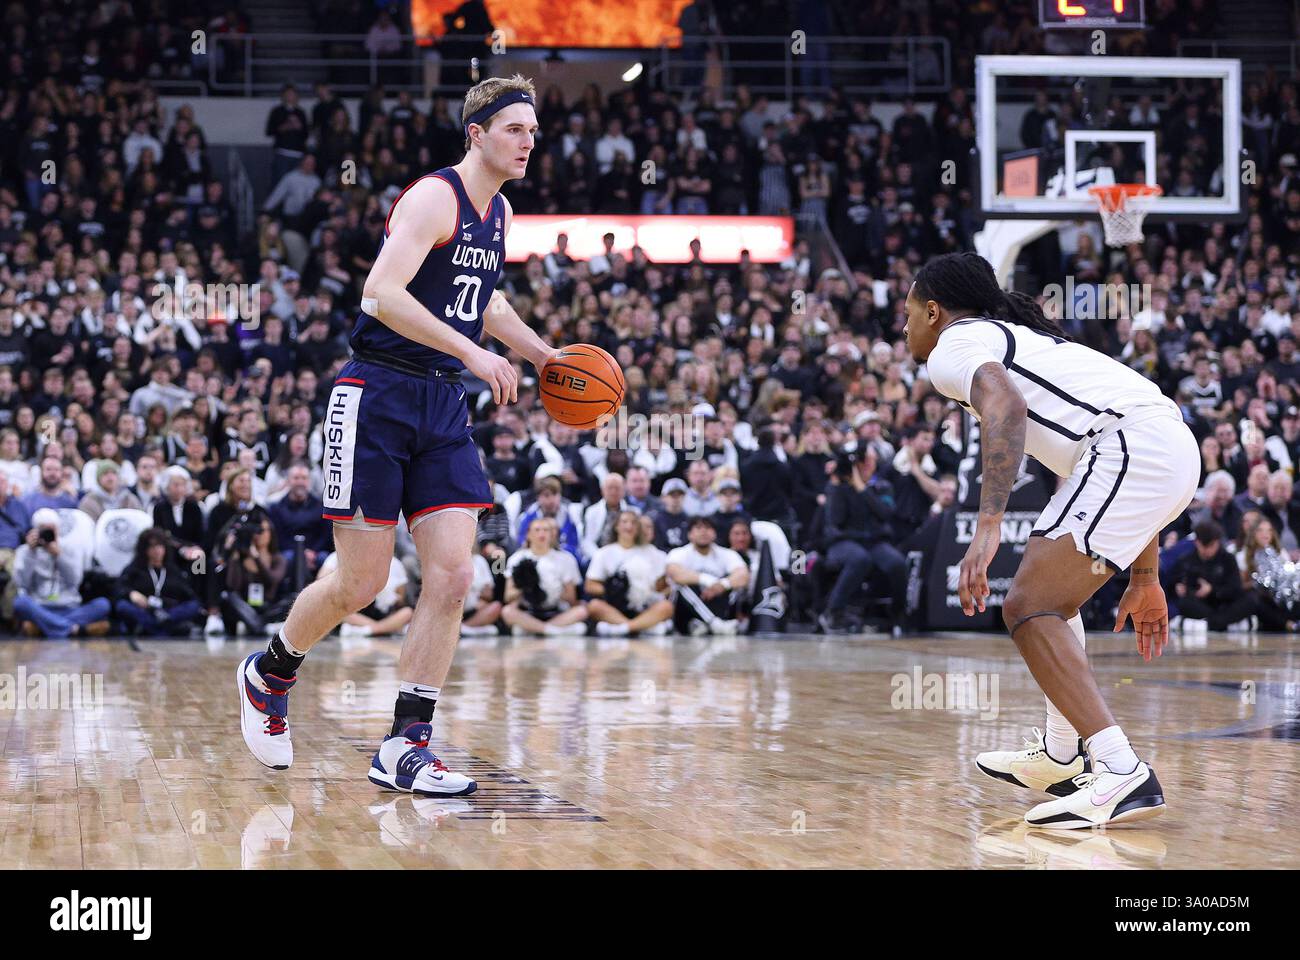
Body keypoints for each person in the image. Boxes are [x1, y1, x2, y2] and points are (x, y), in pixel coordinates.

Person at [237, 75, 560, 796]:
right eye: (514, 129)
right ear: (475, 133)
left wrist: (541, 354)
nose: (527, 141)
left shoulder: (498, 212)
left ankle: (405, 746)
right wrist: (474, 352)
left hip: (442, 406)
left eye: (532, 131)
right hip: (377, 391)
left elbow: (487, 298)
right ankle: (269, 672)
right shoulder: (432, 196)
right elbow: (380, 293)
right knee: (363, 581)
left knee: (452, 575)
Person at [908, 251, 1199, 829]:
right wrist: (1145, 577)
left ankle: (1119, 769)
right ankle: (1062, 755)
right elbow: (1129, 448)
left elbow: (1006, 407)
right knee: (1050, 597)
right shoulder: (1015, 339)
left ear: (936, 311)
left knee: (1027, 604)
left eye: (910, 311)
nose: (907, 325)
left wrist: (987, 525)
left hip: (1133, 448)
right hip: (1160, 446)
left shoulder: (955, 346)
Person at [818, 445, 908, 634]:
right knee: (859, 559)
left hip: (874, 541)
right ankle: (833, 611)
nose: (866, 464)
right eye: (862, 460)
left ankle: (898, 614)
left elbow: (885, 513)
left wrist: (862, 489)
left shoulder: (882, 486)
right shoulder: (839, 487)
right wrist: (837, 484)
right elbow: (835, 520)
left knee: (897, 563)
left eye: (870, 460)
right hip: (842, 541)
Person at [13, 508, 112, 638]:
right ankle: (73, 629)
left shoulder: (69, 549)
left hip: (69, 607)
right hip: (40, 606)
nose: (48, 534)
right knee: (20, 602)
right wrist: (30, 554)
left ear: (58, 529)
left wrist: (60, 556)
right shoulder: (25, 552)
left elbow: (75, 581)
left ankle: (46, 627)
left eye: (51, 529)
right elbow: (22, 584)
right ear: (35, 531)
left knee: (103, 604)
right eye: (44, 530)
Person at [584, 510, 674, 637]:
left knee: (666, 607)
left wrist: (654, 590)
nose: (629, 526)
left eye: (633, 523)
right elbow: (590, 585)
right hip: (615, 608)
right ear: (616, 526)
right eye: (624, 522)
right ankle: (643, 627)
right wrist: (612, 589)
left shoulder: (652, 552)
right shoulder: (603, 553)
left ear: (638, 528)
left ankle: (624, 628)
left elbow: (662, 587)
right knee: (594, 606)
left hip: (644, 606)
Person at [501, 517, 588, 636]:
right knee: (507, 611)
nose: (541, 534)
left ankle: (534, 629)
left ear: (552, 535)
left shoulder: (566, 558)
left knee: (582, 611)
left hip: (556, 610)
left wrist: (553, 591)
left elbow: (572, 599)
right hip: (528, 611)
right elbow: (508, 596)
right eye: (537, 530)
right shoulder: (517, 559)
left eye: (546, 530)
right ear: (528, 534)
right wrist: (525, 586)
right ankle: (550, 630)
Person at [665, 516, 748, 635]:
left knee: (733, 584)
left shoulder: (727, 553)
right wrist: (708, 581)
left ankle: (706, 623)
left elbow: (743, 576)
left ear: (715, 533)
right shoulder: (679, 553)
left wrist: (722, 585)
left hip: (717, 603)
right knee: (682, 586)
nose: (703, 532)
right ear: (690, 534)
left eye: (708, 528)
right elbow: (675, 574)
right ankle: (714, 623)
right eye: (698, 528)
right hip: (686, 610)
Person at [1171, 520, 1259, 631]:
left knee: (1251, 599)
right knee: (1184, 603)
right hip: (1202, 606)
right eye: (1204, 546)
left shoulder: (1228, 559)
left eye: (1211, 545)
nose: (1207, 550)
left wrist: (1212, 590)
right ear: (1197, 542)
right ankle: (1225, 624)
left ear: (1217, 542)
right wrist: (1179, 589)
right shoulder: (1186, 561)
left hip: (1225, 604)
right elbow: (1174, 586)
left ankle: (1210, 624)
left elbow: (1235, 588)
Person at [114, 528, 204, 637]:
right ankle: (162, 628)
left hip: (168, 611)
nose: (157, 550)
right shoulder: (135, 568)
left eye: (160, 546)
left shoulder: (172, 570)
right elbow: (119, 587)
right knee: (122, 606)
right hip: (145, 610)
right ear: (144, 549)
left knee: (194, 605)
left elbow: (189, 595)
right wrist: (131, 593)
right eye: (152, 546)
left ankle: (156, 627)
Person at [317, 551, 413, 638]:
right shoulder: (337, 556)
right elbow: (321, 582)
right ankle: (381, 629)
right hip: (352, 609)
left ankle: (372, 629)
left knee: (407, 612)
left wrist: (391, 597)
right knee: (337, 609)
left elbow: (401, 598)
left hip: (382, 611)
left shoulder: (395, 563)